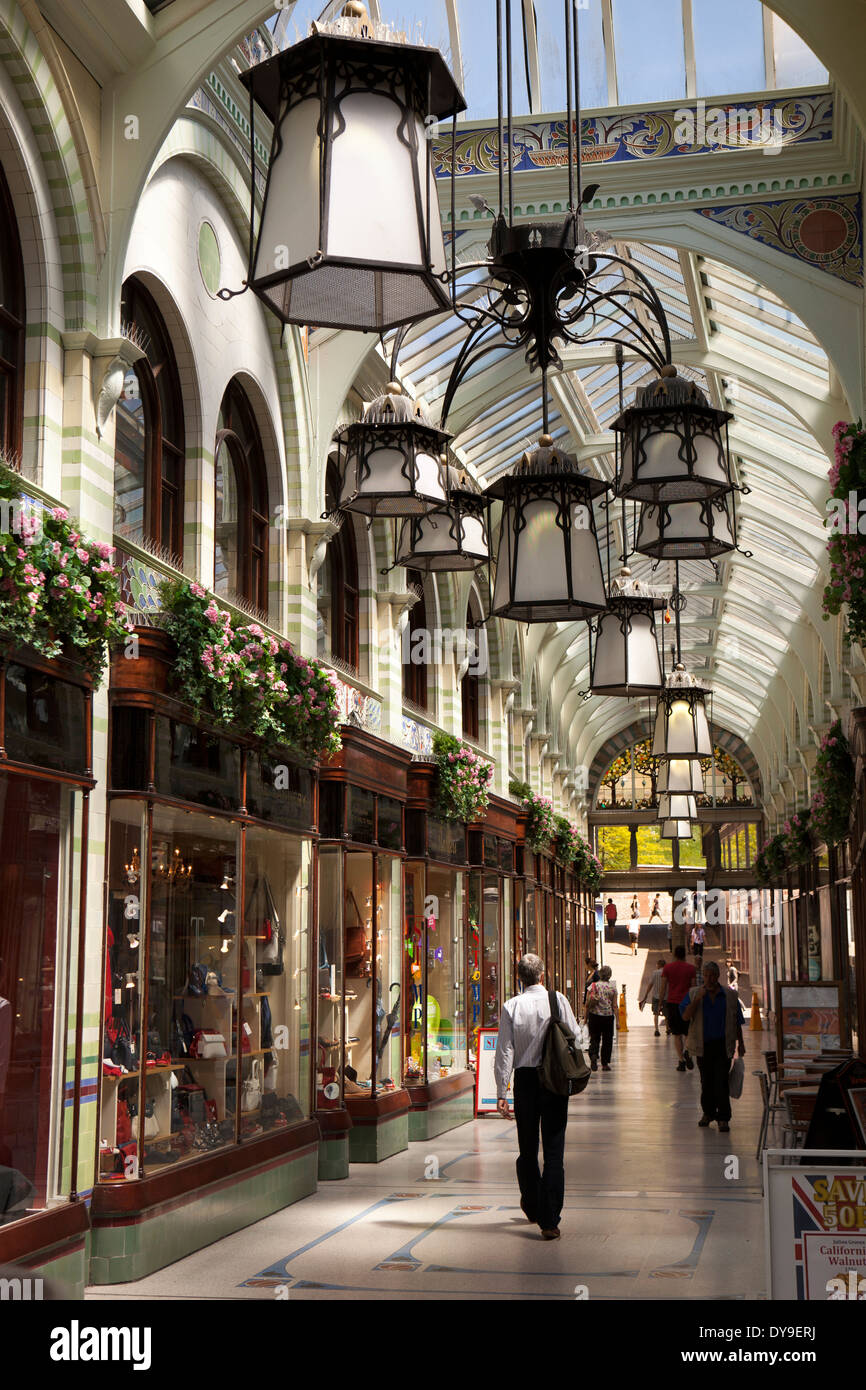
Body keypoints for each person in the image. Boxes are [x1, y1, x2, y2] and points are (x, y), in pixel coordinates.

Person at [494, 954, 580, 1240]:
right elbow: (576, 1037)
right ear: (542, 975)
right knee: (554, 1150)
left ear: (520, 978)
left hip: (526, 1081)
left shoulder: (511, 1006)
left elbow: (504, 1051)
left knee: (527, 1148)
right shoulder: (558, 1001)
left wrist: (501, 1091)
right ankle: (550, 1219)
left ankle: (532, 1204)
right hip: (554, 1079)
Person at [680, 960, 745, 1132]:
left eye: (712, 976)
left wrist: (741, 1044)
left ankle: (723, 1118)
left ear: (717, 976)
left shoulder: (729, 995)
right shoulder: (694, 993)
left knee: (722, 1081)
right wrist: (698, 999)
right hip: (703, 1045)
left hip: (723, 1045)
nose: (709, 979)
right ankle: (708, 1113)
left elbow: (737, 1021)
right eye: (706, 975)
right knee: (706, 1081)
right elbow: (686, 1016)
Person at [658, 945, 696, 1072]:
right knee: (688, 1032)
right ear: (685, 955)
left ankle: (681, 1061)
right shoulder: (691, 969)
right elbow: (694, 988)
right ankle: (687, 1052)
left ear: (674, 954)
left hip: (672, 1003)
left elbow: (663, 987)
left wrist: (660, 1004)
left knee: (676, 1034)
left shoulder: (668, 968)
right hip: (687, 1004)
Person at [585, 964, 618, 1072]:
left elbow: (587, 1003)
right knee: (607, 1040)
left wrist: (585, 1018)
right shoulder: (612, 988)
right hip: (608, 1017)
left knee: (594, 1038)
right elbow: (614, 1006)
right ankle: (604, 1064)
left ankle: (594, 1056)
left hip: (594, 1016)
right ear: (609, 975)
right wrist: (618, 1021)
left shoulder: (593, 986)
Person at [639, 957, 666, 1036]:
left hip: (656, 996)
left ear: (659, 965)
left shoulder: (655, 973)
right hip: (665, 996)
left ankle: (657, 1030)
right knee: (666, 1014)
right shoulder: (667, 972)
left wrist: (646, 994)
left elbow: (650, 984)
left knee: (656, 1013)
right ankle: (668, 1029)